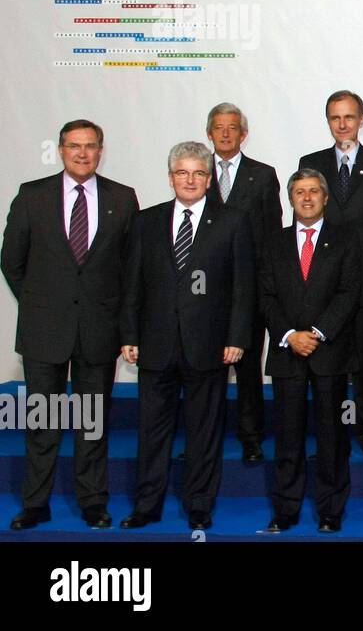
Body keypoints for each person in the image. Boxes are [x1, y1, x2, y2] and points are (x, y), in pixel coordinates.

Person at [2, 119, 139, 531]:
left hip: (99, 330)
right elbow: (12, 260)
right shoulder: (33, 195)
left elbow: (130, 268)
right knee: (42, 423)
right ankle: (35, 503)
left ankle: (93, 502)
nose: (83, 153)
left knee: (91, 423)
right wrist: (44, 302)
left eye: (91, 146)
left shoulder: (122, 197)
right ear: (61, 149)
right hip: (45, 331)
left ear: (101, 150)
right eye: (74, 146)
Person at [119, 141, 254, 530]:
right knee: (152, 431)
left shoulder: (232, 221)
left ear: (209, 179)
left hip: (210, 346)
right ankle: (147, 505)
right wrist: (129, 333)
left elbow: (243, 287)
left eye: (198, 172)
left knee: (204, 431)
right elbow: (132, 284)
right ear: (170, 177)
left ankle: (199, 504)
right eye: (182, 172)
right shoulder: (146, 221)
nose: (190, 179)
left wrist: (237, 338)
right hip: (155, 344)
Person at [299, 90, 363, 462]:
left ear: (362, 119)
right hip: (323, 284)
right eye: (335, 118)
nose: (343, 124)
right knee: (328, 367)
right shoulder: (311, 162)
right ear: (328, 121)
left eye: (349, 117)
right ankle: (332, 434)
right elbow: (305, 218)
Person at [259, 169, 361, 534]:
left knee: (332, 435)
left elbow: (350, 292)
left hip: (328, 351)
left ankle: (331, 509)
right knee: (287, 436)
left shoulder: (346, 239)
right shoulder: (273, 242)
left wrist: (317, 333)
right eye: (300, 192)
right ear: (291, 198)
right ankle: (285, 508)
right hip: (288, 351)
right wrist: (290, 334)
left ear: (326, 197)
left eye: (314, 191)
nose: (307, 198)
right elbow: (266, 296)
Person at [205, 102, 282, 462]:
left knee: (248, 369)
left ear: (243, 134)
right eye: (218, 127)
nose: (225, 133)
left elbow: (272, 239)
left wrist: (266, 289)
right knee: (205, 370)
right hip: (202, 292)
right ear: (209, 133)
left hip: (247, 291)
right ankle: (206, 436)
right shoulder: (195, 172)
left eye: (232, 127)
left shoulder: (263, 175)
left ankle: (251, 437)